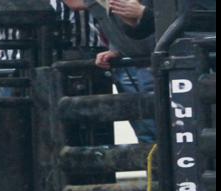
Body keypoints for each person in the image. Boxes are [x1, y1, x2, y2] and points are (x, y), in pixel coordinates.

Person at [62, 0, 156, 146]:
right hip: (136, 59)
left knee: (160, 126)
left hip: (155, 59)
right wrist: (116, 49)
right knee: (147, 129)